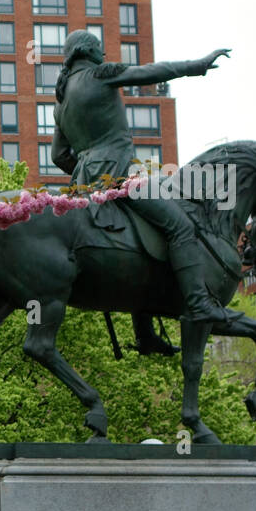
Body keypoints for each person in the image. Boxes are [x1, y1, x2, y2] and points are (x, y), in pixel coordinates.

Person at [52, 30, 231, 326]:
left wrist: (90, 173)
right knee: (181, 227)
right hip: (121, 175)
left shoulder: (61, 102)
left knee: (136, 243)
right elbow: (150, 71)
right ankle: (200, 303)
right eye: (99, 47)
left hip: (84, 186)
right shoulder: (100, 75)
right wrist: (197, 66)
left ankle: (146, 332)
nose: (104, 53)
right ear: (86, 51)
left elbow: (58, 156)